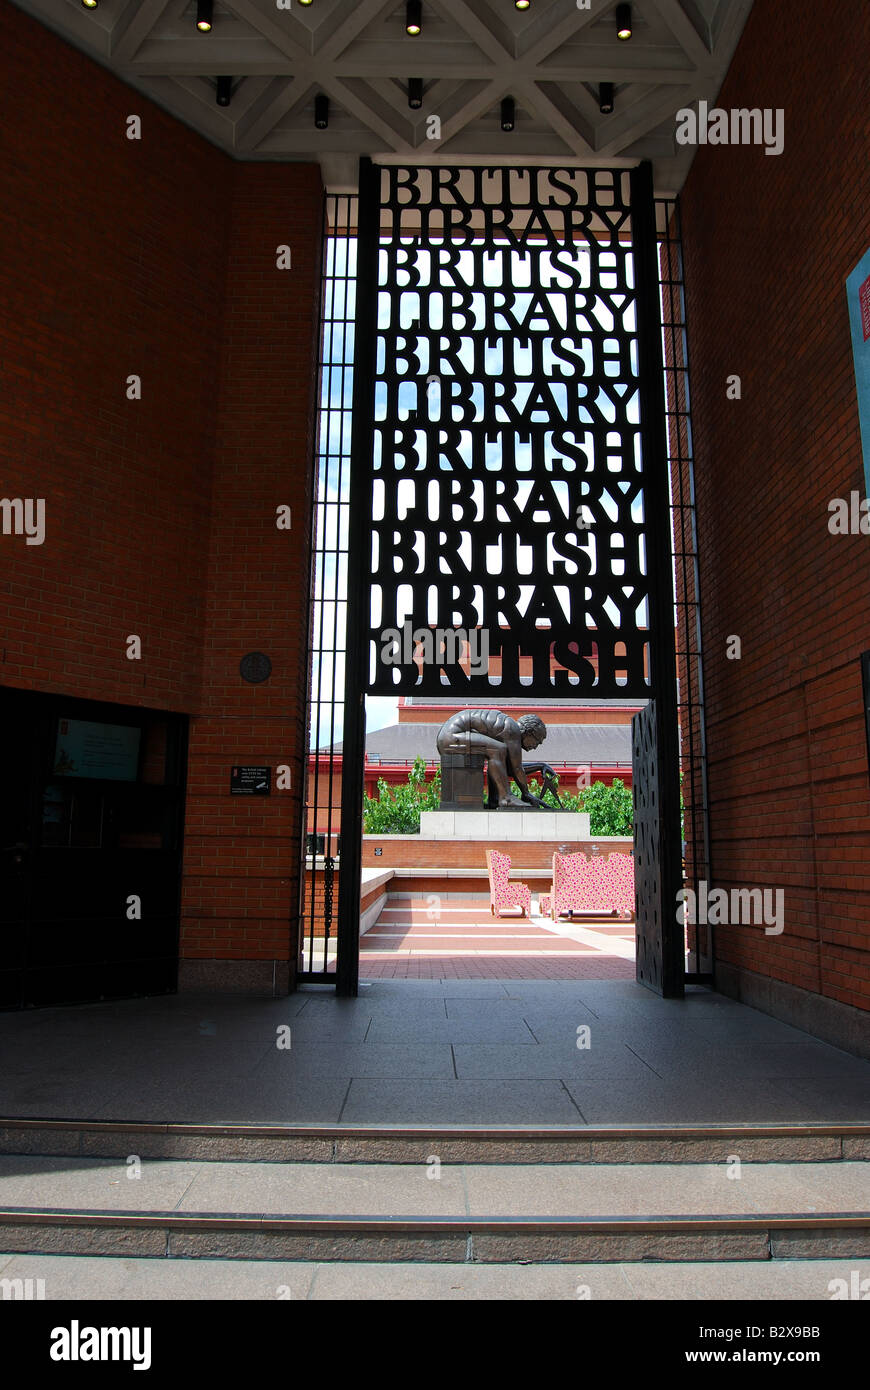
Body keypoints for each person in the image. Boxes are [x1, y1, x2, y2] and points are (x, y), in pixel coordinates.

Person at [436, 708, 547, 808]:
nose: (535, 746)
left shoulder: (509, 727)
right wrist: (526, 793)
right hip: (451, 737)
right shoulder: (512, 730)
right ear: (530, 732)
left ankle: (495, 799)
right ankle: (506, 798)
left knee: (497, 753)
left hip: (448, 737)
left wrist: (540, 766)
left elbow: (507, 769)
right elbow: (516, 769)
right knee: (497, 750)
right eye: (537, 741)